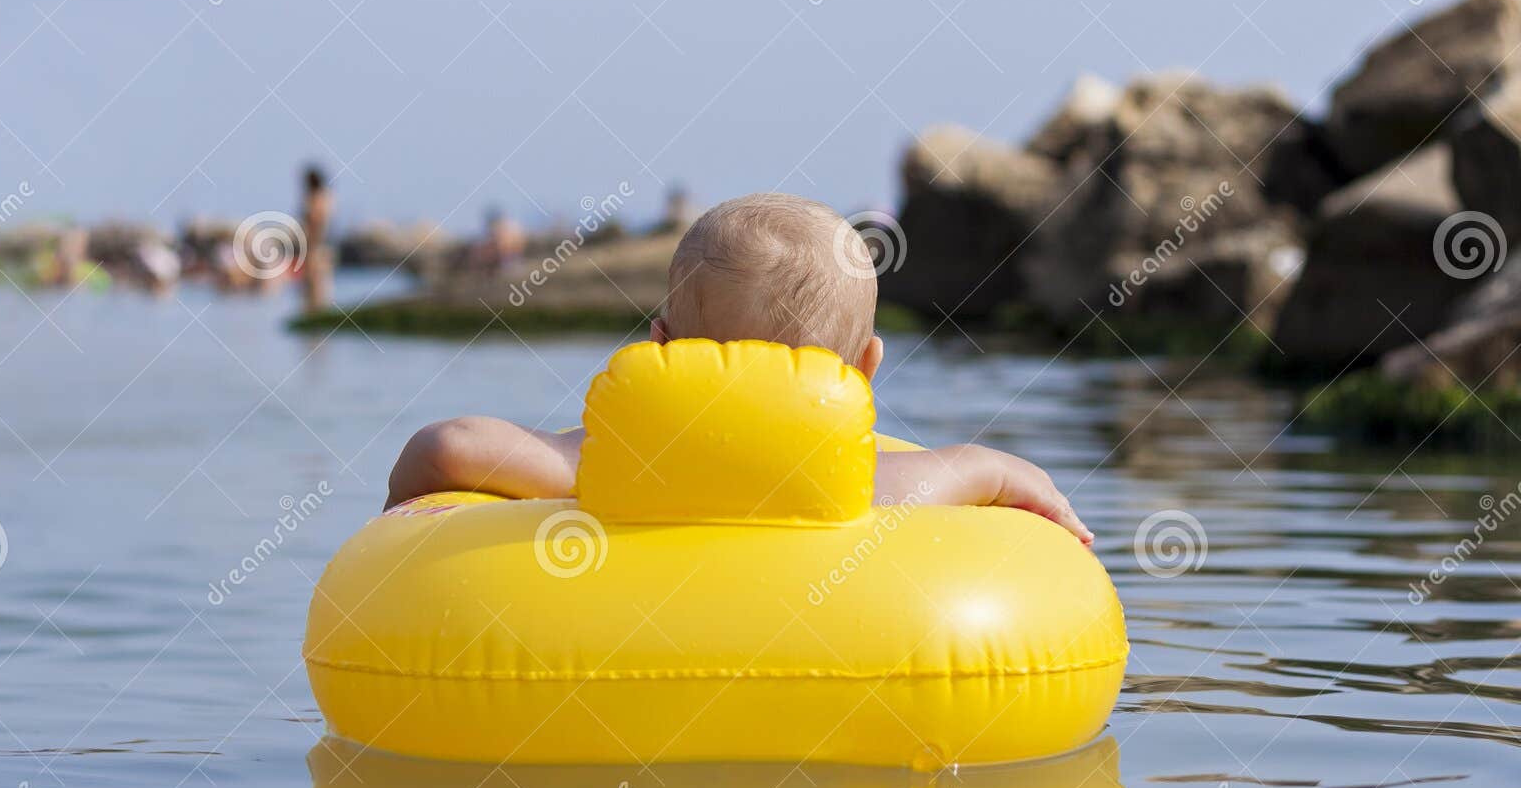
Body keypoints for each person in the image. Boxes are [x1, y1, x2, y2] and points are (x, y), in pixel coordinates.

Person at [384, 192, 1091, 542]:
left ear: (660, 345)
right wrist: (1007, 474)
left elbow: (449, 447)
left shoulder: (603, 463)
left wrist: (401, 523)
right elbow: (969, 468)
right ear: (865, 369)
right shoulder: (861, 482)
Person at [299, 165, 334, 312]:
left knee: (315, 287)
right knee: (316, 287)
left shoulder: (316, 199)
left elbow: (316, 222)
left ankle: (315, 318)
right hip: (318, 247)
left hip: (315, 248)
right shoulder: (326, 197)